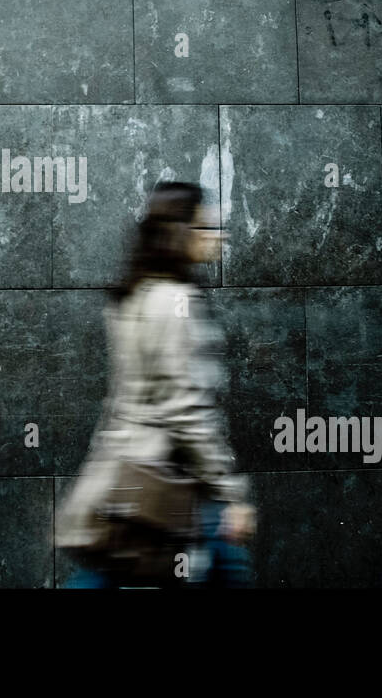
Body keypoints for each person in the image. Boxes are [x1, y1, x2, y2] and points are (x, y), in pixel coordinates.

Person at [57, 181, 256, 588]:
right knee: (228, 570)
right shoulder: (176, 301)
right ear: (179, 233)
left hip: (131, 473)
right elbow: (185, 408)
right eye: (205, 227)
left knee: (112, 573)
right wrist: (230, 492)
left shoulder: (137, 295)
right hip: (167, 479)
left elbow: (129, 397)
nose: (218, 235)